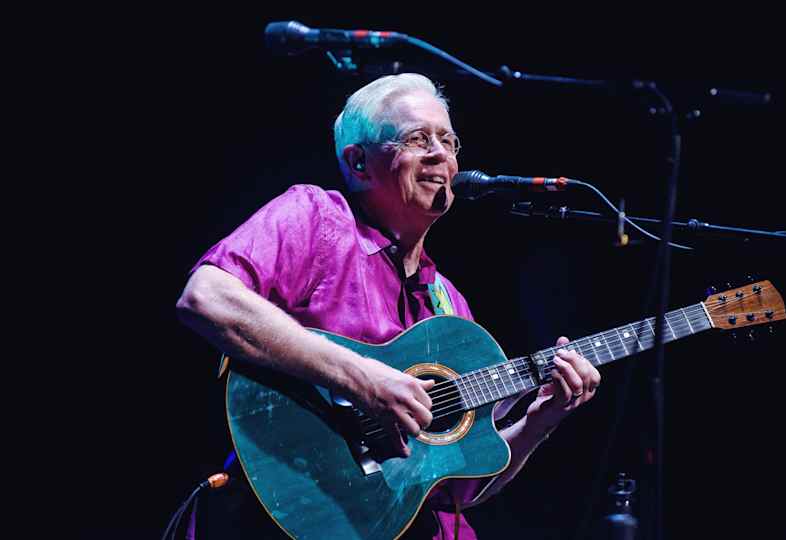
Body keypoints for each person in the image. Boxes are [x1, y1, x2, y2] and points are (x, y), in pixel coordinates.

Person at [176, 73, 601, 539]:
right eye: (418, 139)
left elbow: (453, 489)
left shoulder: (449, 303)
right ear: (358, 162)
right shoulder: (316, 218)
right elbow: (206, 297)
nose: (441, 155)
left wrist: (541, 420)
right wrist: (363, 379)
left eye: (448, 141)